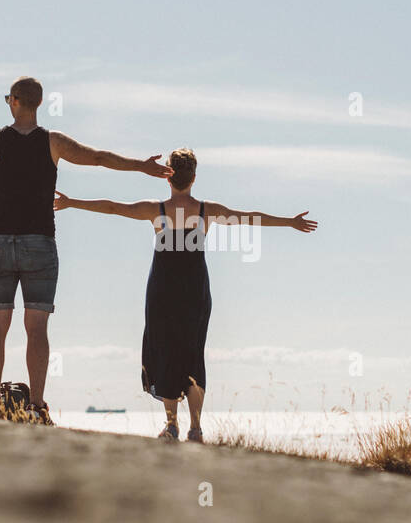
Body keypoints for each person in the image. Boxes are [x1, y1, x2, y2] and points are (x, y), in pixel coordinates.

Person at [0, 76, 171, 424]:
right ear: (37, 104)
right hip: (39, 242)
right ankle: (36, 406)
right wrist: (141, 166)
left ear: (14, 101)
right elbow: (99, 158)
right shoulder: (53, 142)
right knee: (36, 329)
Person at [53, 148, 317, 441]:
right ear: (193, 177)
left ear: (168, 176)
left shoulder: (157, 209)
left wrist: (71, 202)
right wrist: (289, 222)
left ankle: (171, 425)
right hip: (194, 290)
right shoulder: (206, 210)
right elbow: (248, 218)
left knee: (165, 351)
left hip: (163, 289)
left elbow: (115, 207)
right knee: (193, 354)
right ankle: (195, 427)